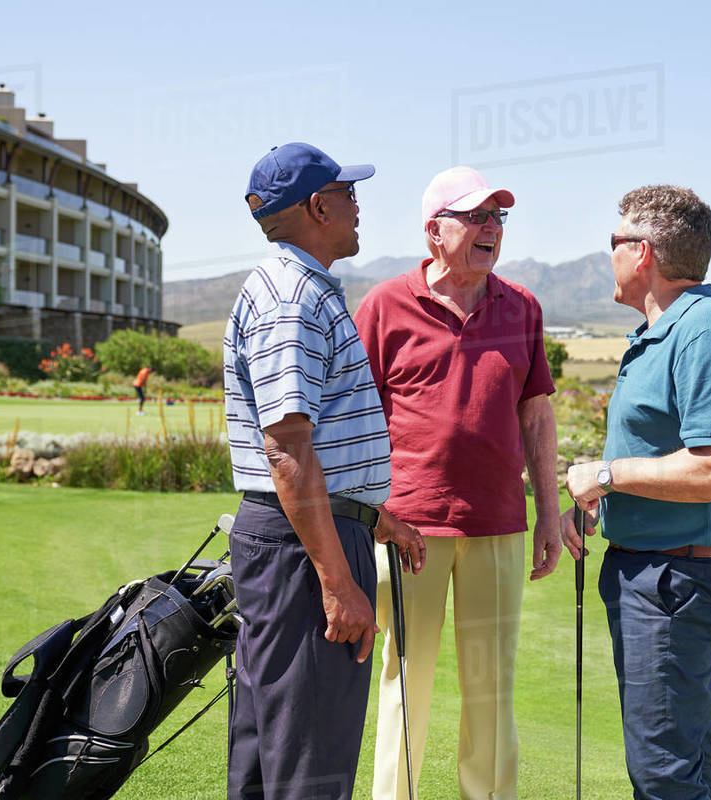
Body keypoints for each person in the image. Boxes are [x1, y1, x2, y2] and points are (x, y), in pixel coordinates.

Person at [224, 142, 425, 800]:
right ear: (318, 207)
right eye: (348, 193)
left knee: (274, 752)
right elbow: (287, 449)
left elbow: (312, 447)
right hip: (307, 552)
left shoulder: (297, 289)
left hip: (307, 537)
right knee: (310, 761)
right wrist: (337, 584)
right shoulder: (294, 299)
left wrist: (373, 516)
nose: (358, 206)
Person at [353, 165, 562, 800]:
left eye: (497, 216)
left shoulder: (522, 306)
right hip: (407, 526)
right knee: (406, 679)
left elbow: (536, 414)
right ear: (433, 231)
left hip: (498, 524)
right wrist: (369, 512)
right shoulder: (384, 305)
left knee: (492, 687)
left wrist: (547, 514)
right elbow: (356, 418)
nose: (490, 227)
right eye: (475, 216)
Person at [563, 185, 711, 800]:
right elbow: (662, 452)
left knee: (663, 772)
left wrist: (606, 476)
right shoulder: (664, 330)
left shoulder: (706, 333)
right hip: (659, 572)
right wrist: (604, 501)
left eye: (614, 242)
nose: (608, 255)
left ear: (642, 252)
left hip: (678, 582)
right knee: (689, 757)